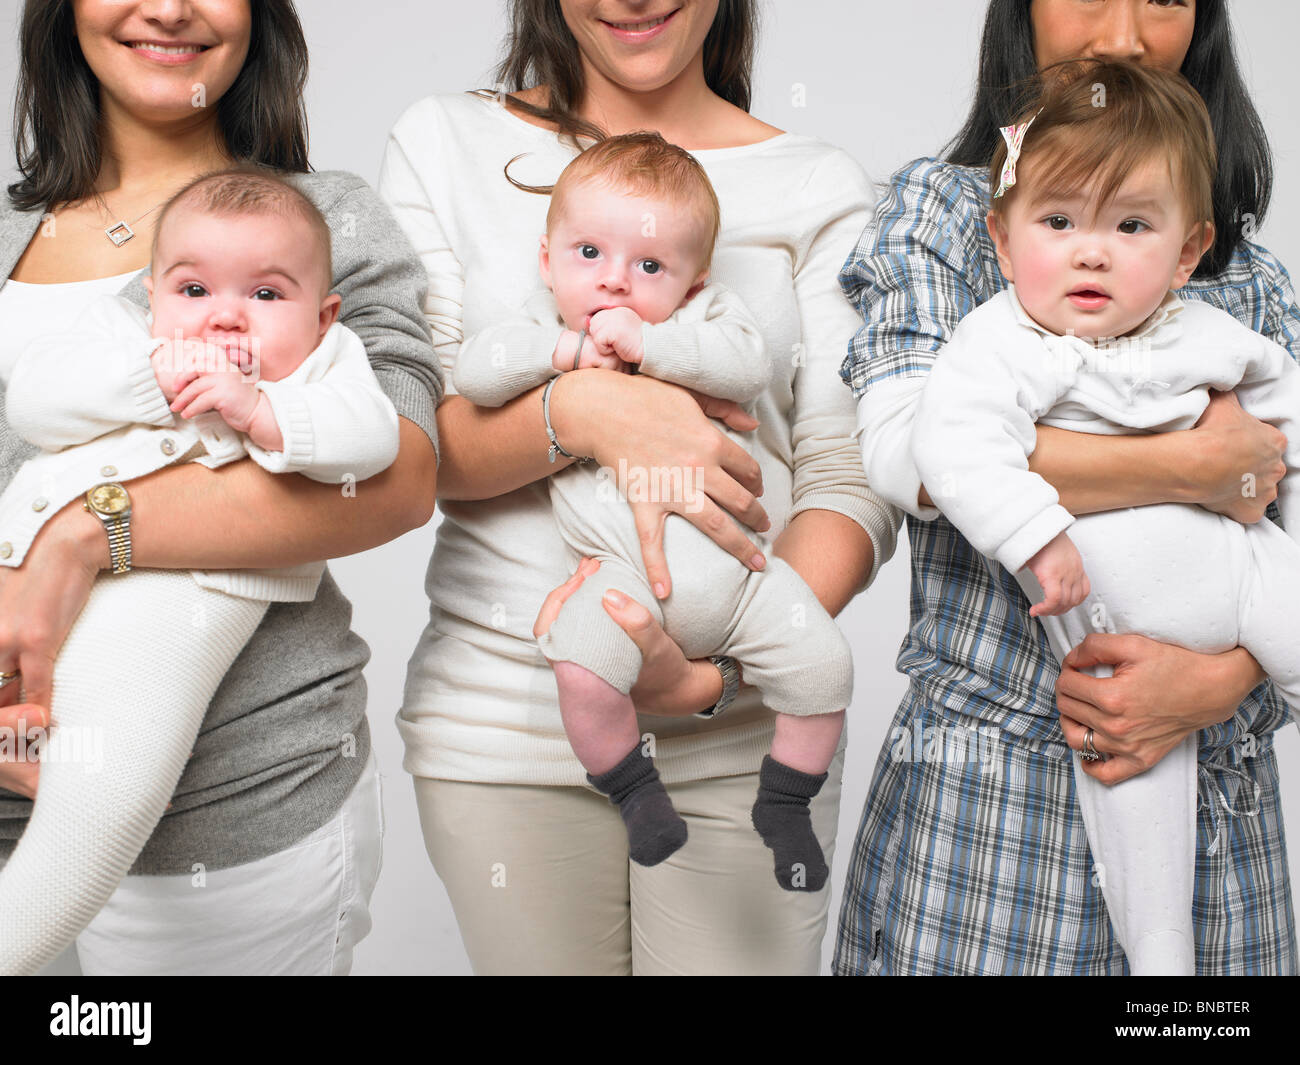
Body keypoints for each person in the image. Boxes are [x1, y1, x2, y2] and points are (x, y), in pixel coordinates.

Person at [380, 0, 900, 974]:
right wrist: (587, 412)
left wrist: (715, 673)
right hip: (506, 729)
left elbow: (846, 473)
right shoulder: (445, 140)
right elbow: (422, 452)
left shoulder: (813, 183)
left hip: (744, 729)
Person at [837, 0, 1298, 975]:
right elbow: (915, 458)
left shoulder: (1248, 282)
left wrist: (1223, 678)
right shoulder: (950, 214)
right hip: (987, 813)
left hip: (1215, 795)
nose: (1124, 35)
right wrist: (1200, 464)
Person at [0, 0, 441, 976]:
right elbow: (39, 406)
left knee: (104, 803)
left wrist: (83, 538)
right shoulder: (18, 230)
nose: (167, 7)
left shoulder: (319, 217)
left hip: (231, 801)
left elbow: (402, 470)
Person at [454, 133, 851, 889]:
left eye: (648, 267)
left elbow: (748, 364)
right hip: (619, 583)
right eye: (588, 255)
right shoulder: (541, 327)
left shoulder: (707, 320)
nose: (613, 284)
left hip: (744, 579)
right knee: (581, 666)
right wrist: (567, 360)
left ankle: (785, 800)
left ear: (695, 282)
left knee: (826, 667)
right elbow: (476, 376)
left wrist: (653, 343)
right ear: (547, 260)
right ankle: (635, 792)